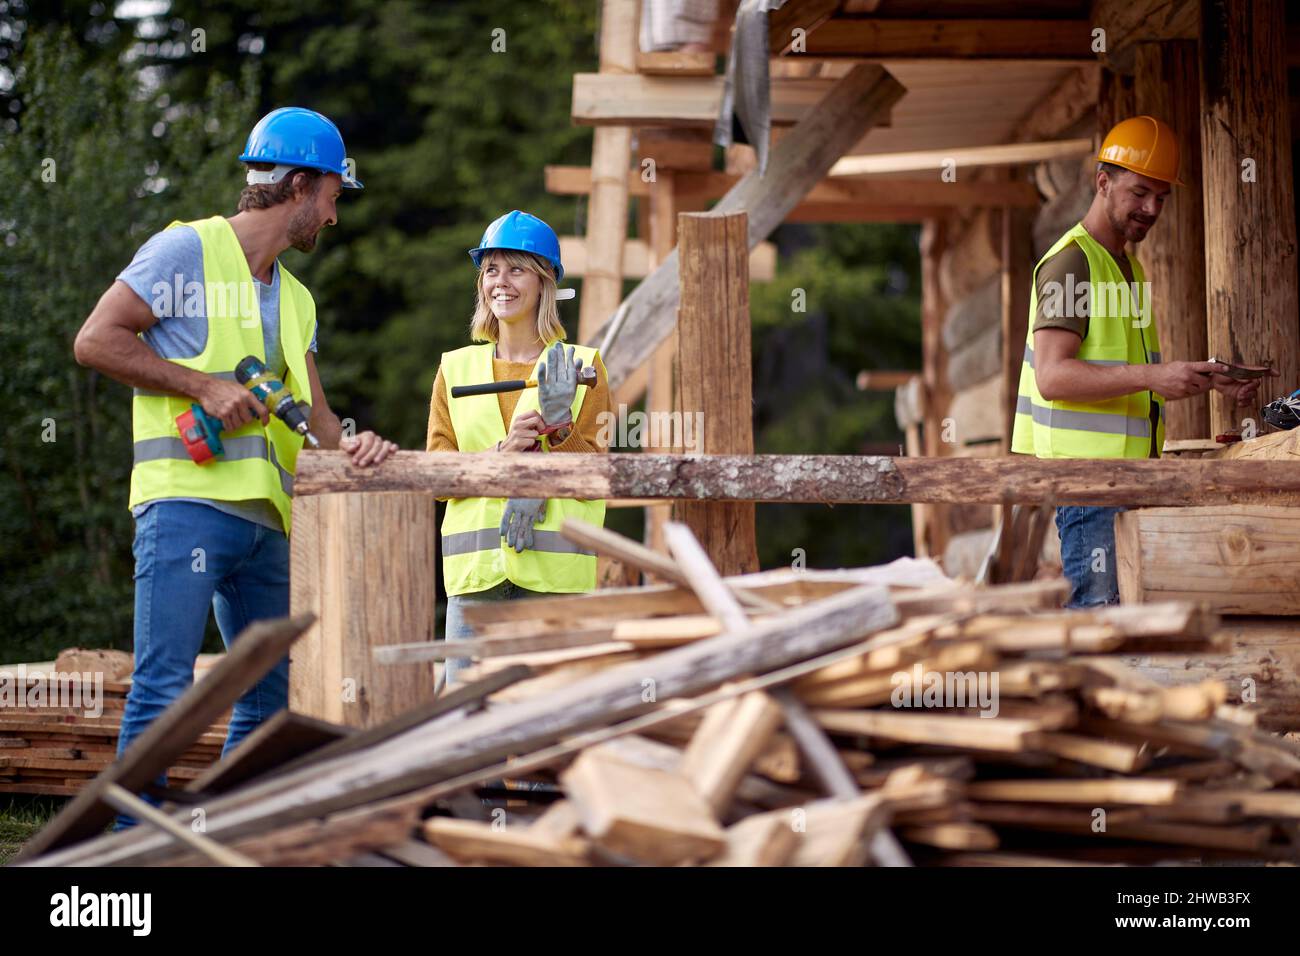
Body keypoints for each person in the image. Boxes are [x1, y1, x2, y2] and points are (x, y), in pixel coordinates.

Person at [73, 107, 397, 822]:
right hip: (185, 505)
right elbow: (95, 340)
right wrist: (201, 386)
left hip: (267, 525)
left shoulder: (298, 296)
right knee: (162, 689)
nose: (335, 217)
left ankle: (211, 833)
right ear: (302, 185)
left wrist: (357, 445)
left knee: (273, 697)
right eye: (335, 197)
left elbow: (314, 417)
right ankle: (129, 853)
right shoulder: (182, 251)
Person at [1011, 115, 1266, 608]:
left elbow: (1123, 373)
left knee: (1124, 628)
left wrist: (1201, 381)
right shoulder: (1073, 262)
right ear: (1103, 182)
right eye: (1140, 193)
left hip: (1127, 480)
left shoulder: (1127, 265)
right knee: (1102, 627)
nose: (1152, 208)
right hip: (1090, 488)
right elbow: (1053, 376)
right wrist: (1156, 376)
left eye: (1162, 197)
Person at [426, 210, 612, 684]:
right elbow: (436, 480)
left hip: (555, 585)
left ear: (545, 281)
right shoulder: (455, 369)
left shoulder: (583, 366)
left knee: (551, 722)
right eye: (490, 269)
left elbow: (597, 479)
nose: (500, 282)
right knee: (463, 725)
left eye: (516, 269)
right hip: (476, 584)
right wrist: (497, 459)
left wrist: (561, 428)